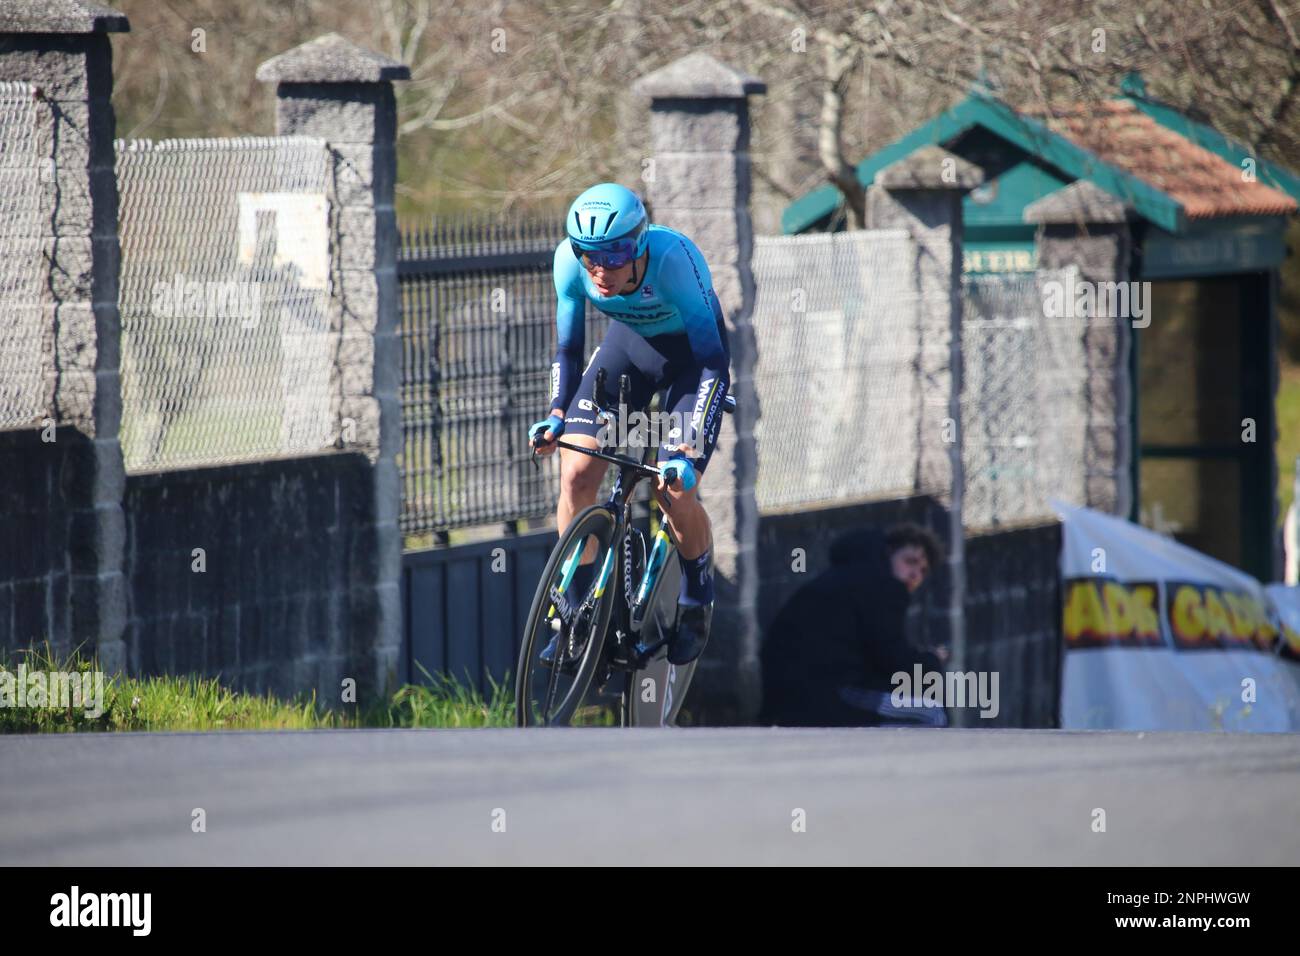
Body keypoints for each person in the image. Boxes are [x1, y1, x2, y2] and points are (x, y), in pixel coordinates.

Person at [528, 183, 731, 668]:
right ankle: (576, 618)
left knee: (673, 490)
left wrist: (688, 443)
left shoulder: (674, 260)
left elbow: (713, 362)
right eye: (589, 255)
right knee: (576, 474)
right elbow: (568, 350)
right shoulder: (569, 264)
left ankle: (697, 597)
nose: (600, 270)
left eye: (615, 255)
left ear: (639, 244)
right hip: (630, 350)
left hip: (692, 363)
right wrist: (556, 414)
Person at [758, 523, 949, 727]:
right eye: (910, 562)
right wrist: (931, 659)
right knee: (932, 714)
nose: (915, 575)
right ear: (889, 552)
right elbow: (891, 657)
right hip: (827, 691)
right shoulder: (882, 585)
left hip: (788, 698)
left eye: (923, 571)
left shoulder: (847, 576)